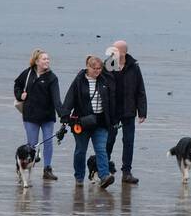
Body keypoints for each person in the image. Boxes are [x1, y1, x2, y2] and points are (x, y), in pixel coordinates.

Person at [60, 54, 118, 188]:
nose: (97, 71)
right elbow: (70, 98)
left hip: (101, 123)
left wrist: (114, 119)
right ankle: (79, 177)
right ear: (88, 67)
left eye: (99, 69)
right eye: (94, 69)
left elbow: (111, 100)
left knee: (101, 149)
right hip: (82, 123)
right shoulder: (79, 80)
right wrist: (64, 117)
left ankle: (104, 176)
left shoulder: (104, 80)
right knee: (80, 150)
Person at [14, 49, 63, 181]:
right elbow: (17, 85)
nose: (47, 61)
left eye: (48, 59)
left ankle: (47, 169)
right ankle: (23, 169)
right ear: (36, 61)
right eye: (44, 59)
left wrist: (63, 115)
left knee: (48, 142)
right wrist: (20, 95)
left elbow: (56, 99)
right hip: (30, 116)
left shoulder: (52, 78)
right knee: (32, 145)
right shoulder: (28, 73)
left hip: (47, 117)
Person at [104, 40, 147, 185]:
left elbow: (140, 90)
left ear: (123, 52)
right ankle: (105, 169)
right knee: (109, 140)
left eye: (115, 50)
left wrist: (142, 112)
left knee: (128, 142)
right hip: (112, 111)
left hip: (128, 111)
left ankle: (126, 172)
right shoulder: (108, 65)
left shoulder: (134, 67)